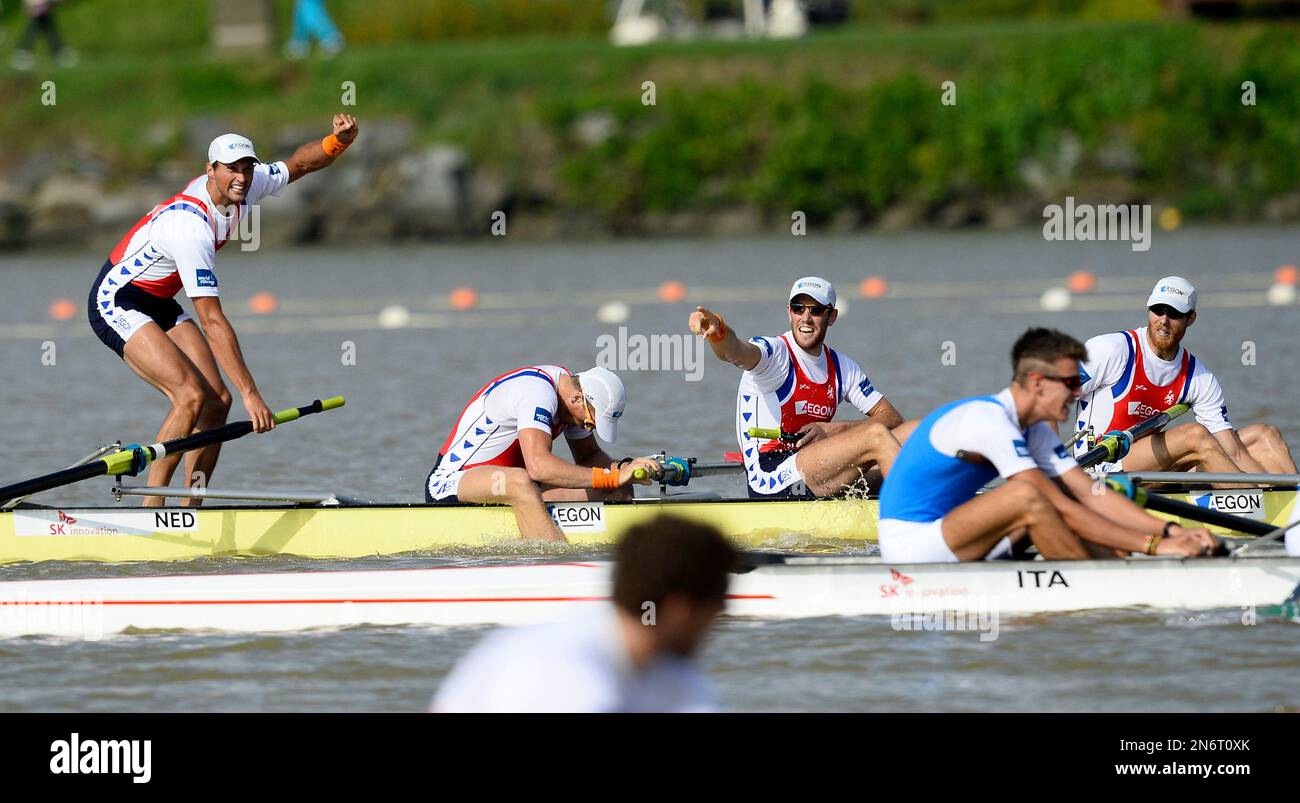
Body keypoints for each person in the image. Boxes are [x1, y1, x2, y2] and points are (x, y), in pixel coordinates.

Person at [88, 114, 360, 506]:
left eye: (247, 169)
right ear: (210, 171)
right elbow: (212, 321)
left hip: (158, 300)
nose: (242, 178)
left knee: (217, 401)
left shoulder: (246, 184)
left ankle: (192, 506)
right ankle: (153, 507)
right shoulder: (190, 227)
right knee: (189, 396)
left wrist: (337, 142)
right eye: (231, 169)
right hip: (117, 299)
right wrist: (252, 394)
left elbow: (301, 163)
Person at [877, 327, 1219, 563]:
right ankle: (1104, 578)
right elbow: (1056, 505)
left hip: (957, 536)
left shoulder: (1035, 430)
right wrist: (1155, 545)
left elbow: (1089, 494)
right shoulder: (989, 421)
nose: (1077, 392)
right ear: (1038, 383)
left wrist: (1173, 530)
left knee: (1072, 492)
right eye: (1070, 382)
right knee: (1030, 496)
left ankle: (1114, 567)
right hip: (911, 546)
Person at [431, 515, 736, 713]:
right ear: (680, 609)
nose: (721, 620)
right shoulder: (567, 671)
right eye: (718, 607)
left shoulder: (672, 674)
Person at [689, 277, 904, 500]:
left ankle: (914, 505)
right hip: (770, 477)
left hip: (815, 470)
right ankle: (913, 518)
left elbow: (892, 417)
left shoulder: (842, 367)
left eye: (817, 310)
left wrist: (835, 430)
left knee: (913, 432)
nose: (806, 318)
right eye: (798, 308)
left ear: (832, 317)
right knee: (877, 436)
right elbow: (735, 351)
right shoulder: (775, 354)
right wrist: (718, 332)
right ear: (789, 311)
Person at [1074, 276, 1295, 476]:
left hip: (1151, 467)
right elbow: (1048, 396)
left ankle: (1288, 503)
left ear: (1191, 318)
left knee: (1264, 436)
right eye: (1158, 309)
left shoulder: (1198, 376)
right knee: (1195, 435)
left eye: (1174, 313)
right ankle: (1257, 503)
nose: (1163, 320)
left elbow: (1233, 452)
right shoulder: (1111, 350)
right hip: (1098, 466)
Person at [424, 365, 662, 540]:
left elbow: (589, 458)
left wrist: (627, 469)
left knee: (618, 489)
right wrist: (609, 476)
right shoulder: (537, 393)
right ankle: (557, 565)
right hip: (452, 482)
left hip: (509, 484)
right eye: (591, 421)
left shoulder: (570, 395)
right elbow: (539, 466)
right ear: (578, 398)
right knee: (520, 480)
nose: (590, 427)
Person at [10, 0, 75, 70]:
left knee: (44, 24)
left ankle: (58, 51)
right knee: (39, 25)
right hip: (38, 4)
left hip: (41, 5)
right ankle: (23, 52)